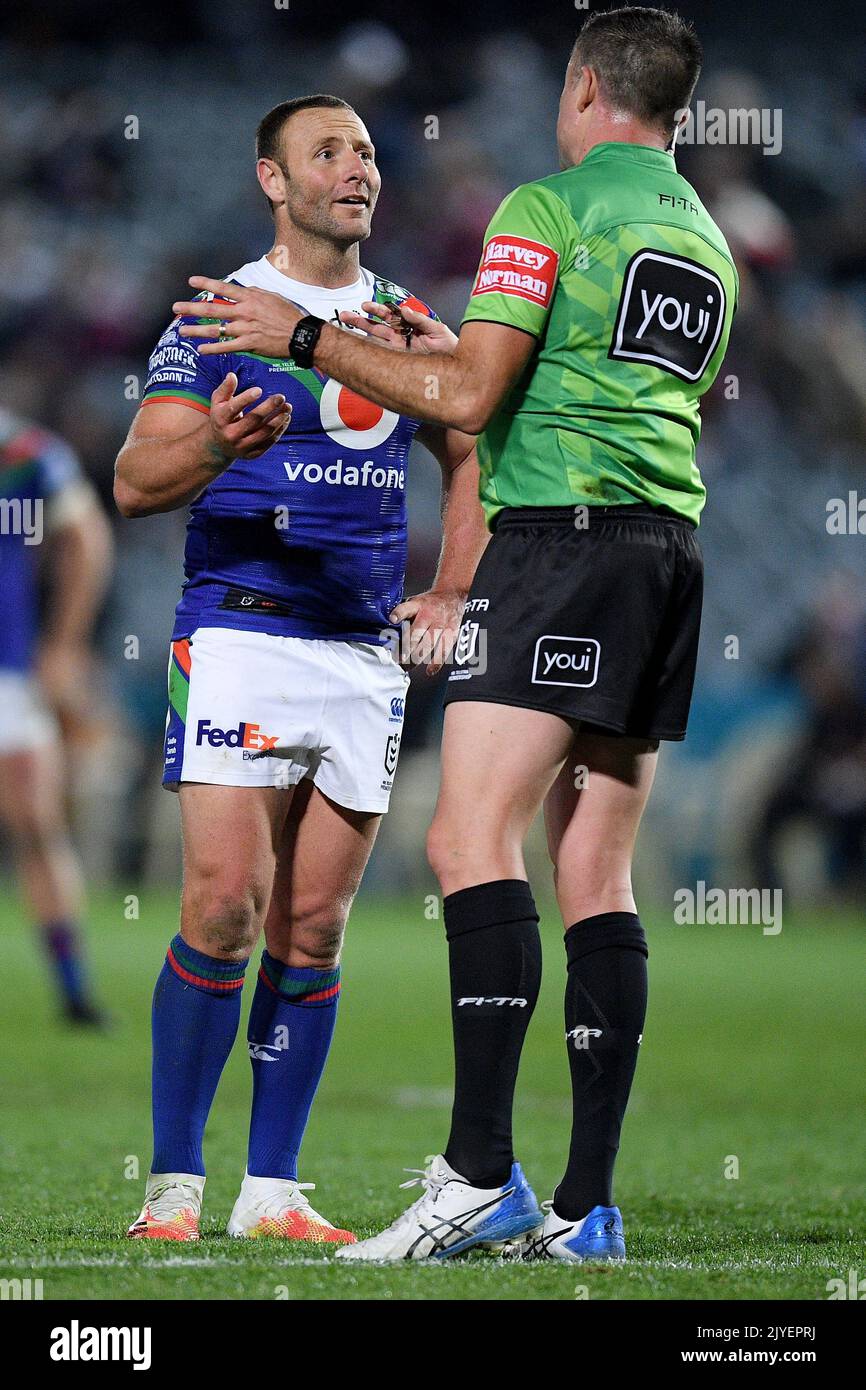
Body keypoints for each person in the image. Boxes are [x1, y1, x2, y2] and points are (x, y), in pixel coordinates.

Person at [174, 6, 739, 1263]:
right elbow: (594, 389)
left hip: (558, 550)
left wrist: (306, 338)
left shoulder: (546, 207)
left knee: (463, 835)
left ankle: (477, 1175)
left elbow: (473, 401)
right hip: (664, 555)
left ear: (585, 86)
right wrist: (447, 362)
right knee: (593, 870)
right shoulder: (707, 239)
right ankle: (588, 1210)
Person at [114, 95, 488, 1243]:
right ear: (272, 181)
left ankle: (270, 1190)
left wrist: (450, 589)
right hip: (237, 628)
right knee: (225, 905)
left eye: (367, 151)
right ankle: (172, 1183)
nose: (356, 169)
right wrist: (217, 442)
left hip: (360, 650)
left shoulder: (404, 319)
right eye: (326, 152)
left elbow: (469, 446)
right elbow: (134, 478)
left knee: (315, 927)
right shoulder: (222, 314)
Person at [0, 404, 112, 1025]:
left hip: (9, 671)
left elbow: (86, 536)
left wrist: (65, 644)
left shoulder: (21, 452)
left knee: (36, 823)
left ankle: (73, 990)